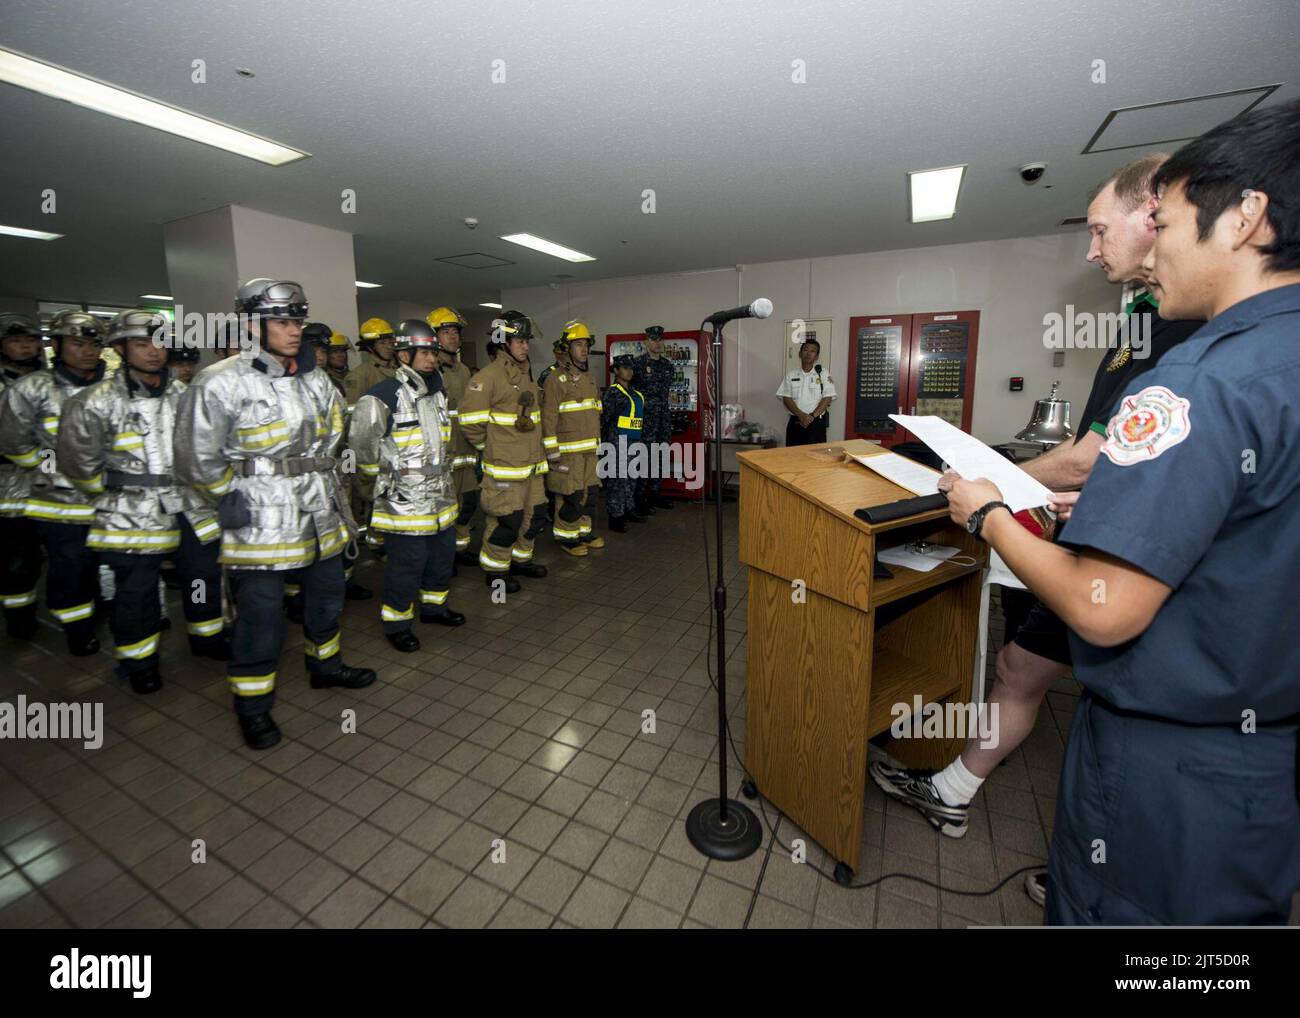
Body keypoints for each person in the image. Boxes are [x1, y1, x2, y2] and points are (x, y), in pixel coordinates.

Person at [943, 99, 1300, 925]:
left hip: (1170, 766)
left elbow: (1103, 609)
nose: (1154, 241)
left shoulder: (1199, 376)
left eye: (1164, 220)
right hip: (1259, 754)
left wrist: (988, 511)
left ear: (1245, 218)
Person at [870, 152, 1205, 910]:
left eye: (1096, 229)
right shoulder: (1142, 323)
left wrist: (982, 481)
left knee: (1115, 726)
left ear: (1155, 212)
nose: (1090, 250)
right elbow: (1105, 452)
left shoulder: (1194, 333)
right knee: (1023, 671)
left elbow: (1094, 457)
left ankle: (1105, 877)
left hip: (1135, 583)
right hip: (1094, 545)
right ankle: (960, 795)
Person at [176, 279, 375, 750]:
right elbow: (193, 457)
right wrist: (229, 496)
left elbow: (333, 435)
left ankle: (325, 667)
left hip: (319, 509)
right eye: (283, 322)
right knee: (261, 616)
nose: (294, 331)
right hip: (259, 520)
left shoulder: (314, 378)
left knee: (327, 596)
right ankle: (253, 706)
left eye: (297, 321)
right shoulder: (219, 381)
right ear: (252, 325)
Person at [57, 310, 227, 694]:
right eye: (141, 343)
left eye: (161, 343)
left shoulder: (187, 395)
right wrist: (115, 493)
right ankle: (139, 660)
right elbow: (78, 466)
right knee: (138, 589)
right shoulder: (93, 402)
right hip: (129, 509)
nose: (154, 352)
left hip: (188, 502)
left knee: (201, 575)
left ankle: (207, 637)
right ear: (120, 348)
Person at [351, 319, 466, 652]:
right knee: (407, 564)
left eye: (433, 352)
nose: (431, 359)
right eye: (424, 353)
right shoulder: (382, 396)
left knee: (443, 556)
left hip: (439, 496)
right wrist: (381, 486)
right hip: (403, 500)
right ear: (404, 355)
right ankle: (397, 623)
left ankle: (434, 608)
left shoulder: (437, 392)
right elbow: (363, 447)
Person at [0, 310, 106, 655]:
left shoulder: (112, 387)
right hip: (56, 498)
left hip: (110, 495)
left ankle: (98, 611)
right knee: (62, 564)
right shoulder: (33, 388)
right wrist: (52, 468)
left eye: (93, 344)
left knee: (98, 563)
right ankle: (75, 629)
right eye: (77, 343)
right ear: (57, 345)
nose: (87, 351)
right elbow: (15, 442)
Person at [457, 311, 549, 591]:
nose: (524, 346)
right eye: (519, 341)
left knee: (535, 517)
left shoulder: (524, 376)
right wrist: (492, 449)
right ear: (502, 342)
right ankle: (496, 572)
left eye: (525, 341)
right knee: (507, 521)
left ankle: (521, 561)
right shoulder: (488, 378)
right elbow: (470, 423)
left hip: (531, 466)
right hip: (505, 468)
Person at [301, 322, 371, 606]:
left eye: (324, 349)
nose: (322, 355)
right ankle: (303, 595)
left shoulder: (330, 383)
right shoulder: (296, 382)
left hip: (340, 462)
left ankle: (345, 580)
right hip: (310, 473)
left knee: (345, 523)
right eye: (316, 349)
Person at [0, 313, 47, 638]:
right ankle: (20, 619)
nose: (25, 347)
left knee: (64, 552)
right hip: (7, 483)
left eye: (30, 340)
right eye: (17, 341)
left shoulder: (50, 381)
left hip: (51, 482)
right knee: (17, 556)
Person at [541, 320, 605, 556]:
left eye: (585, 345)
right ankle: (566, 536)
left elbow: (595, 413)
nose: (583, 349)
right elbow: (548, 418)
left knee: (590, 493)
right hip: (568, 451)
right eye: (578, 344)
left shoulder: (590, 379)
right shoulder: (555, 380)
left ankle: (583, 532)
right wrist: (552, 451)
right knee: (571, 495)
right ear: (567, 348)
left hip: (590, 449)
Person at [428, 306, 481, 567]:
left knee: (468, 504)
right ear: (434, 335)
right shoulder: (429, 372)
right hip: (443, 455)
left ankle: (460, 550)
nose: (453, 337)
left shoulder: (464, 371)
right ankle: (442, 557)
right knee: (444, 508)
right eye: (446, 332)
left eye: (455, 332)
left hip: (467, 452)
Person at [631, 325, 674, 515]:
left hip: (663, 418)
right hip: (645, 419)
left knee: (660, 455)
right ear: (646, 342)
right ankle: (640, 497)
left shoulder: (667, 365)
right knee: (643, 457)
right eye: (653, 340)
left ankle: (655, 493)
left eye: (659, 340)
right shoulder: (637, 364)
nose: (657, 343)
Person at [601, 355, 646, 533]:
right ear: (616, 370)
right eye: (625, 368)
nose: (629, 371)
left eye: (631, 368)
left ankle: (628, 509)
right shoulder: (613, 393)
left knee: (631, 479)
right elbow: (604, 419)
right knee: (618, 480)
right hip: (617, 442)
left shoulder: (636, 392)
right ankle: (616, 516)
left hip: (634, 441)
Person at [777, 338, 835, 446]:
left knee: (816, 458)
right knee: (793, 457)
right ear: (800, 354)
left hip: (816, 422)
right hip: (796, 422)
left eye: (813, 351)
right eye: (805, 350)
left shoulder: (823, 373)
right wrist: (801, 416)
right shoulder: (791, 375)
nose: (808, 353)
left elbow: (827, 398)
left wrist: (811, 417)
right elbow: (786, 398)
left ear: (816, 356)